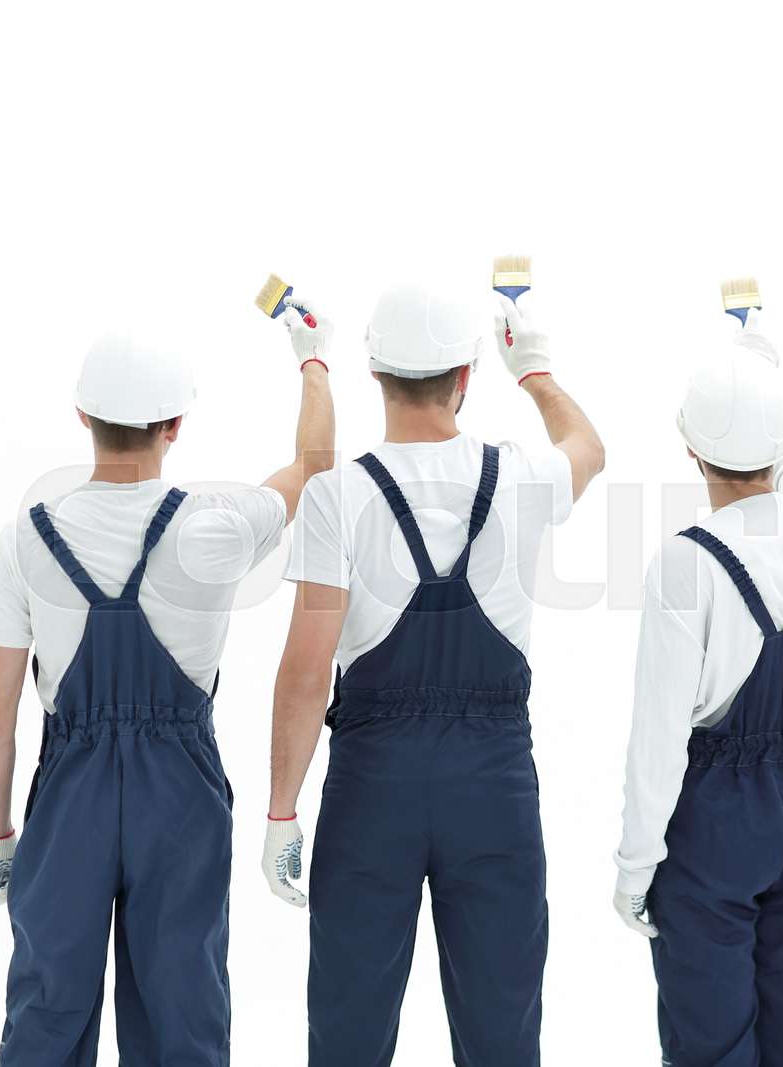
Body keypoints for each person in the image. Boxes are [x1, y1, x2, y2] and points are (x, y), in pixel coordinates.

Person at [0, 307, 335, 1066]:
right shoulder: (216, 525)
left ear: (82, 415)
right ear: (175, 424)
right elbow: (312, 465)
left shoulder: (25, 538)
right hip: (181, 794)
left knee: (47, 1004)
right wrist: (312, 361)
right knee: (182, 1009)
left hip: (68, 793)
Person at [263, 281, 605, 1066]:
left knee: (347, 1030)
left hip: (371, 787)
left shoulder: (337, 494)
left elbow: (305, 671)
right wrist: (538, 374)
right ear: (465, 378)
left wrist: (282, 810)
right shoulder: (520, 476)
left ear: (375, 376)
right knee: (502, 1031)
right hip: (492, 786)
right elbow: (589, 448)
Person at [611, 310, 783, 1066]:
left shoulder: (683, 564)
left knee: (711, 1042)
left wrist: (635, 864)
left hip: (713, 820)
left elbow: (659, 734)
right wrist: (767, 369)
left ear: (690, 449)